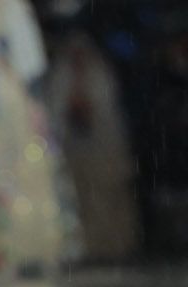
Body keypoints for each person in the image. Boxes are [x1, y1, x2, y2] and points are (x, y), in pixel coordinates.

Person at [0, 0, 67, 275]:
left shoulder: (10, 5)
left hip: (4, 96)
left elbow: (28, 59)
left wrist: (34, 104)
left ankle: (14, 248)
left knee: (14, 170)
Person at [46, 23, 138, 261]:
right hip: (75, 149)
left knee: (107, 200)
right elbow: (57, 108)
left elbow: (105, 108)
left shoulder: (101, 72)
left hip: (103, 146)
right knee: (81, 201)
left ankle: (113, 247)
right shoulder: (62, 73)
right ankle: (88, 248)